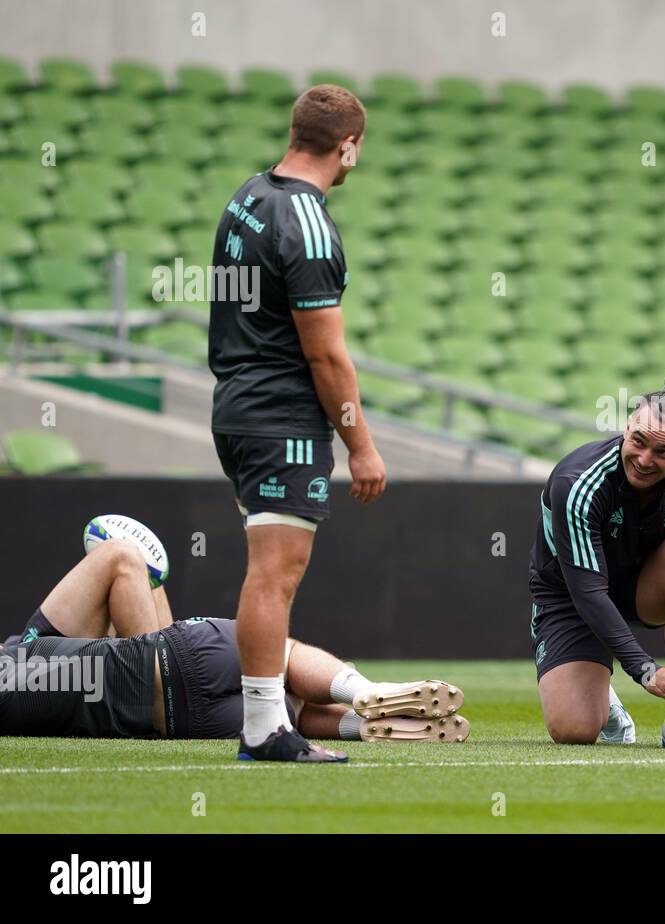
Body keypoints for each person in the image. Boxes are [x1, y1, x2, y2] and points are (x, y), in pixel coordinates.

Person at [207, 84, 386, 762]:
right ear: (348, 146)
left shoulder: (247, 196)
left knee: (267, 572)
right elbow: (325, 352)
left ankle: (268, 723)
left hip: (237, 404)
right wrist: (361, 446)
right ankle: (263, 730)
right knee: (274, 575)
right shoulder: (307, 221)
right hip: (280, 417)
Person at [0, 539, 468, 749]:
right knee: (279, 658)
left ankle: (355, 726)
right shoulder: (24, 654)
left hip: (186, 724)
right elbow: (123, 554)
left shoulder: (26, 666)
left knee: (289, 716)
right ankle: (364, 690)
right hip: (186, 651)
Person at [527, 371, 665, 749]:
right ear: (628, 426)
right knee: (574, 731)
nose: (645, 460)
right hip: (571, 595)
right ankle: (603, 698)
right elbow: (588, 593)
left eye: (664, 452)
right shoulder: (577, 482)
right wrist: (647, 671)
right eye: (639, 441)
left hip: (641, 589)